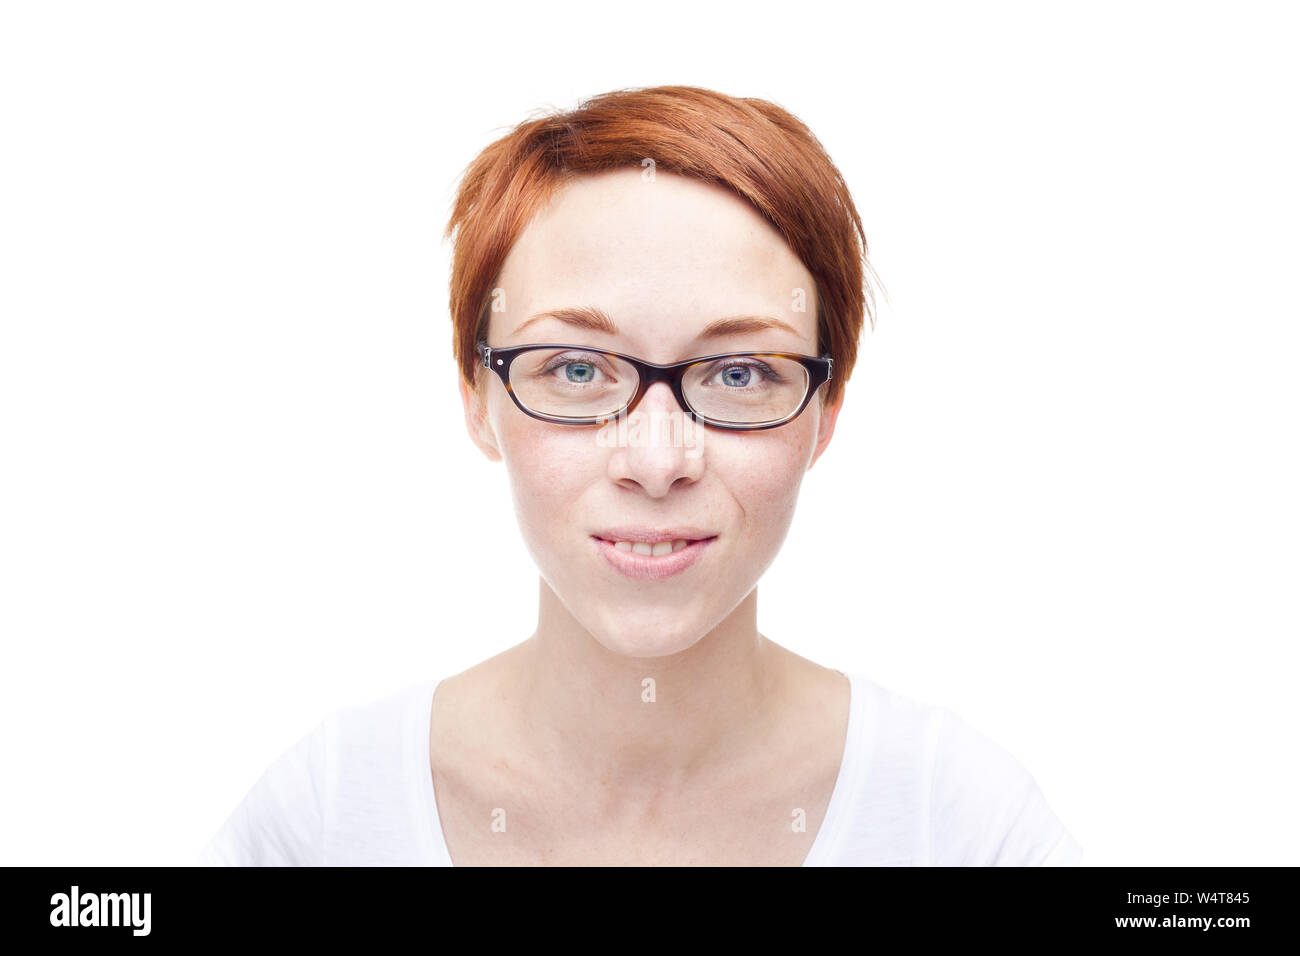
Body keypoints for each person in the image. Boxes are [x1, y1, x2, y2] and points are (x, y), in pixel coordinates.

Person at [201, 85, 1082, 866]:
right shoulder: (326, 816)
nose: (658, 462)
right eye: (578, 370)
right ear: (478, 399)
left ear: (826, 413)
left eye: (740, 375)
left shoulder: (961, 823)